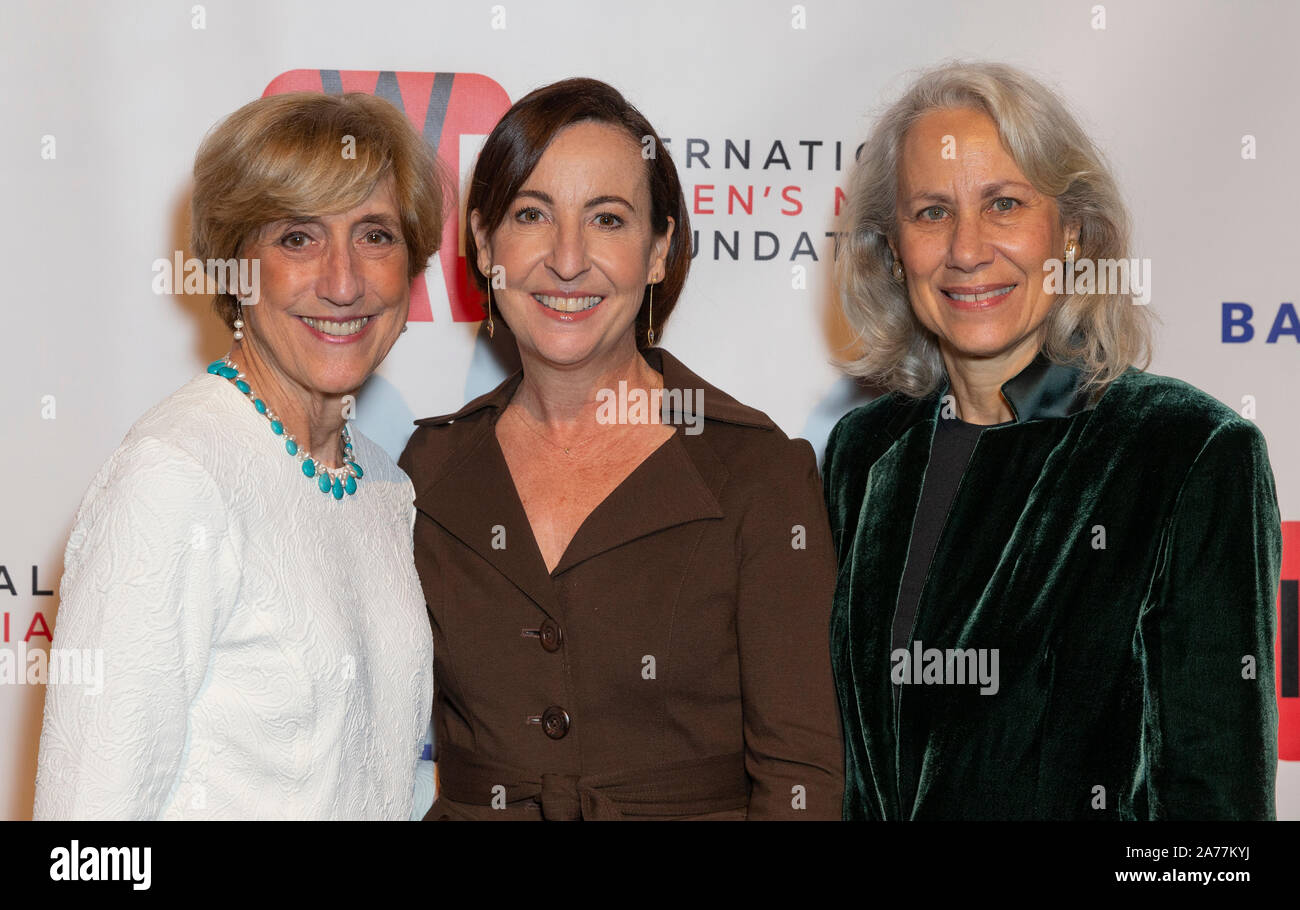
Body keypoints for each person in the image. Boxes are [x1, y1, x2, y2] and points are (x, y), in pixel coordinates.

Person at [825, 61, 1281, 820]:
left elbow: (1217, 827)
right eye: (932, 212)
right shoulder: (863, 456)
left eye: (1003, 204)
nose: (967, 250)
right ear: (892, 246)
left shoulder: (1186, 453)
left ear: (1070, 230)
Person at [399, 77, 843, 820]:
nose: (567, 260)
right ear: (483, 244)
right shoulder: (429, 468)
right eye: (531, 215)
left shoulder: (757, 473)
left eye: (607, 219)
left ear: (660, 250)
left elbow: (804, 784)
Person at [34, 91, 443, 819]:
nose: (343, 281)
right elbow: (84, 837)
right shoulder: (175, 475)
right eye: (297, 238)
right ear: (235, 268)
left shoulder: (383, 484)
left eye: (375, 235)